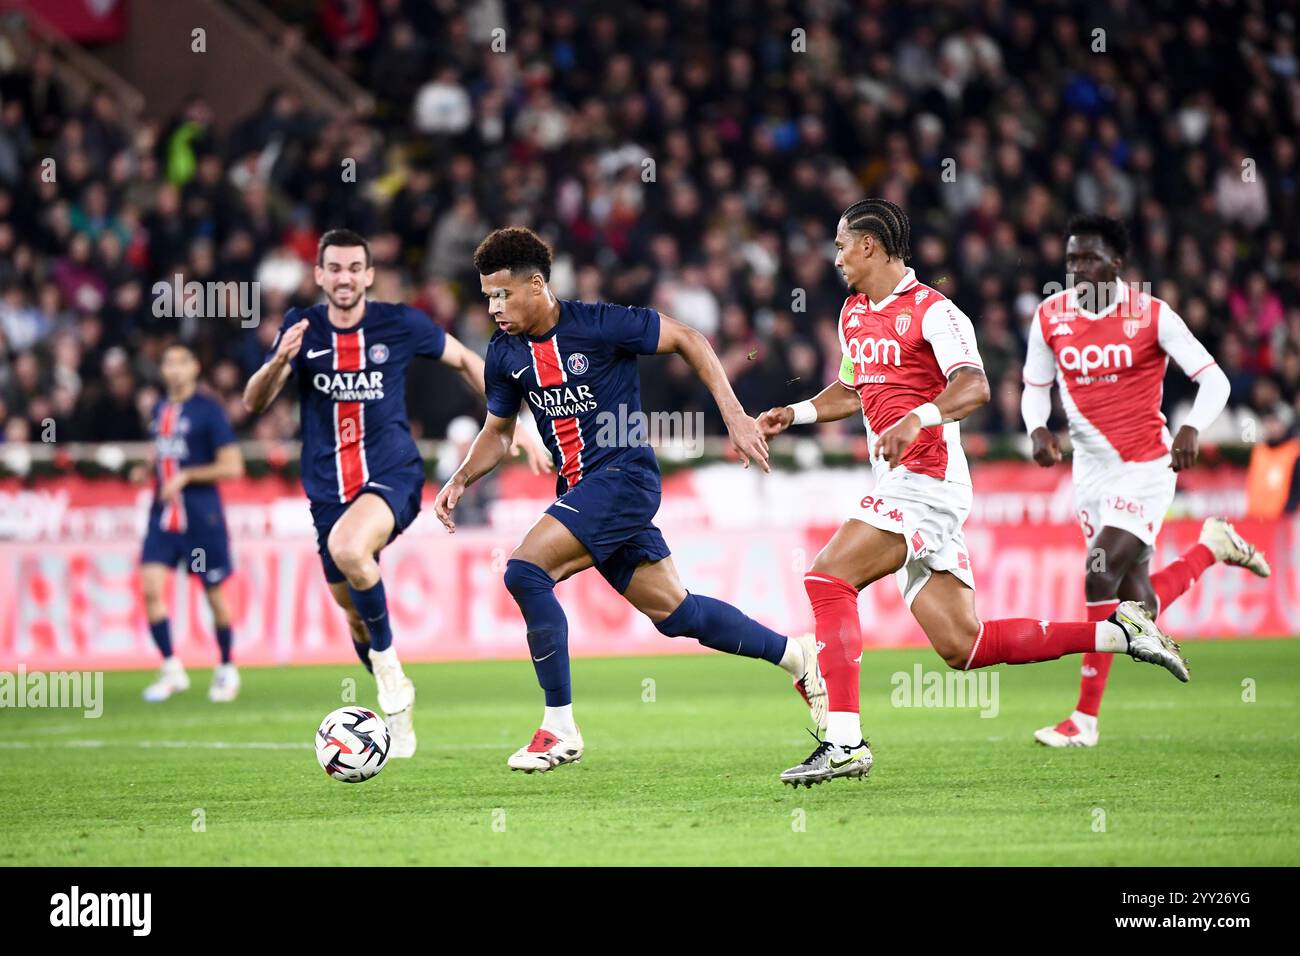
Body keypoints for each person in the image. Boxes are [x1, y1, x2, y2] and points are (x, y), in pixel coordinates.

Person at [759, 199, 1189, 788]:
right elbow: (856, 388)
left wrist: (918, 419)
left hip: (928, 480)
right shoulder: (854, 314)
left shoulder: (936, 312)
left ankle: (843, 741)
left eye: (840, 246)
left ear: (869, 246)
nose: (835, 258)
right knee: (965, 645)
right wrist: (798, 412)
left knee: (827, 578)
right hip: (900, 482)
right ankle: (1120, 632)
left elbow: (976, 386)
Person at [433, 226, 826, 773]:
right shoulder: (503, 354)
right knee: (676, 612)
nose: (494, 307)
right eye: (488, 297)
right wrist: (459, 479)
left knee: (524, 571)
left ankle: (559, 727)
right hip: (582, 492)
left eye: (502, 294)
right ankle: (798, 656)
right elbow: (499, 432)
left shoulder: (600, 324)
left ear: (537, 284)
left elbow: (689, 337)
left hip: (622, 476)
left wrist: (733, 415)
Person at [244, 228, 548, 757]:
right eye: (333, 269)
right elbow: (254, 402)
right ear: (320, 275)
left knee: (349, 549)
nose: (343, 278)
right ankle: (398, 699)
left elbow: (462, 360)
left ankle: (389, 678)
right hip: (327, 491)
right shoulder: (302, 328)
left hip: (393, 473)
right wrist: (276, 364)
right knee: (353, 609)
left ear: (367, 275)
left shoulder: (399, 322)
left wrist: (510, 420)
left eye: (353, 268)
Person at [1021, 214, 1269, 748]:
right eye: (1071, 260)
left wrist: (1190, 428)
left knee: (1097, 574)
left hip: (1146, 465)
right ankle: (1211, 548)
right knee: (1142, 610)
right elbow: (1033, 387)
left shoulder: (1151, 315)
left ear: (1116, 262)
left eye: (1089, 258)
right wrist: (1037, 428)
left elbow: (1214, 380)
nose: (1078, 269)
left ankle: (1083, 720)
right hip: (1089, 471)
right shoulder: (1049, 317)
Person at [139, 343, 245, 703]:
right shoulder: (160, 409)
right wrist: (147, 469)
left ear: (195, 367)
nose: (173, 369)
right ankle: (171, 669)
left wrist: (185, 476)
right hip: (164, 516)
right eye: (168, 362)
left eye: (181, 362)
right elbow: (164, 455)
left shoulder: (208, 410)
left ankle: (227, 667)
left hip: (201, 516)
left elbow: (233, 465)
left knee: (213, 593)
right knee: (151, 588)